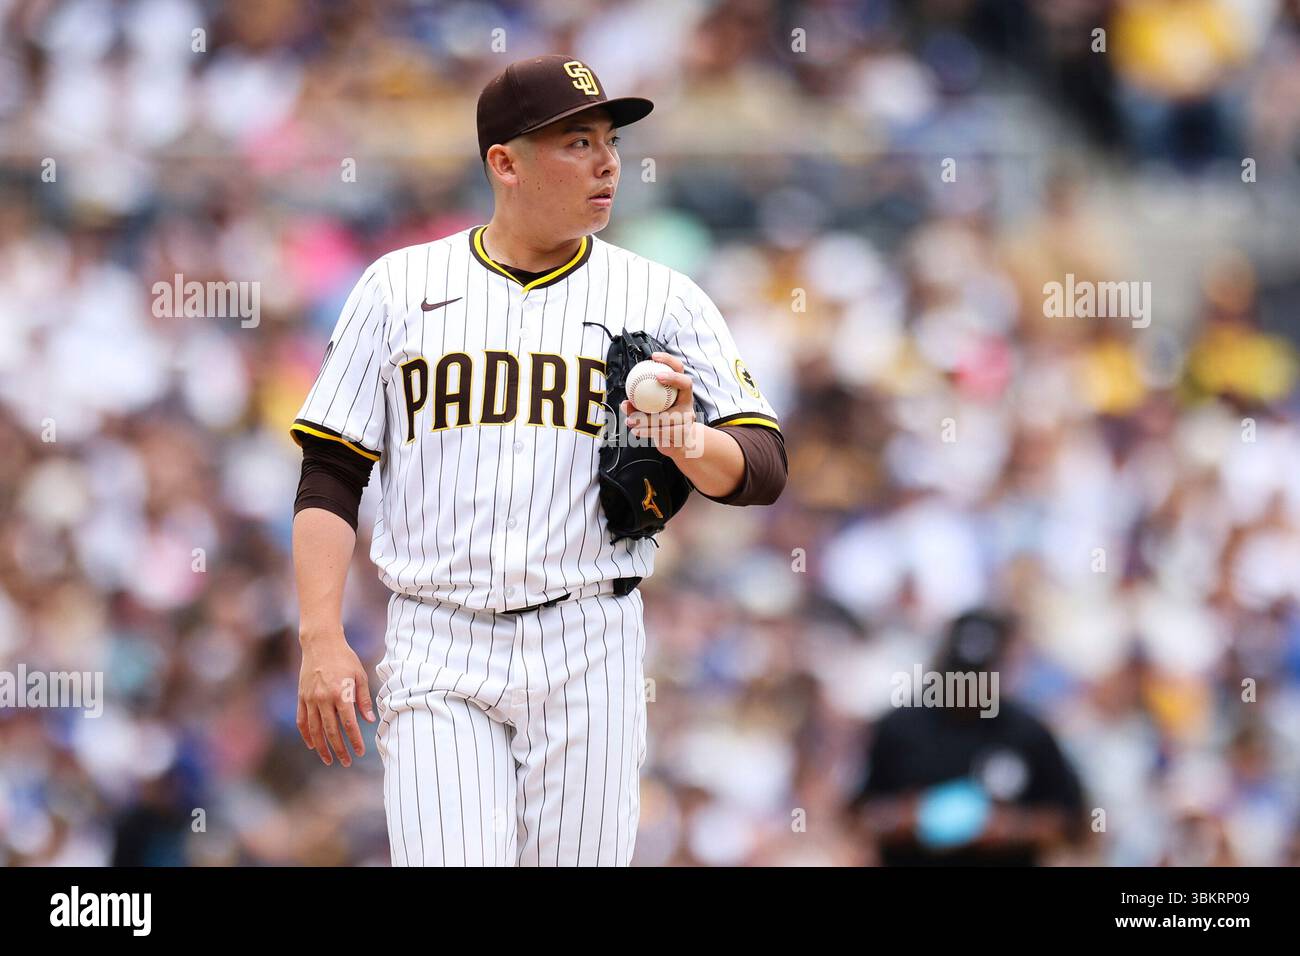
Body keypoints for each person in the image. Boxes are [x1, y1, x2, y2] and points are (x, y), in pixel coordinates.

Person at [288, 55, 787, 866]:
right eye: (576, 142)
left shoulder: (661, 296)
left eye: (610, 142)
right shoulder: (399, 288)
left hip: (589, 632)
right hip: (437, 636)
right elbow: (331, 473)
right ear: (505, 162)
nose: (606, 162)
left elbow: (764, 465)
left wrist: (686, 443)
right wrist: (320, 636)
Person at [850, 610, 1088, 865]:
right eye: (959, 674)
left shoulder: (1028, 733)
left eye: (977, 677)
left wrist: (1015, 827)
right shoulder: (899, 728)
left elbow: (1071, 821)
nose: (966, 686)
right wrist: (904, 818)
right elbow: (858, 814)